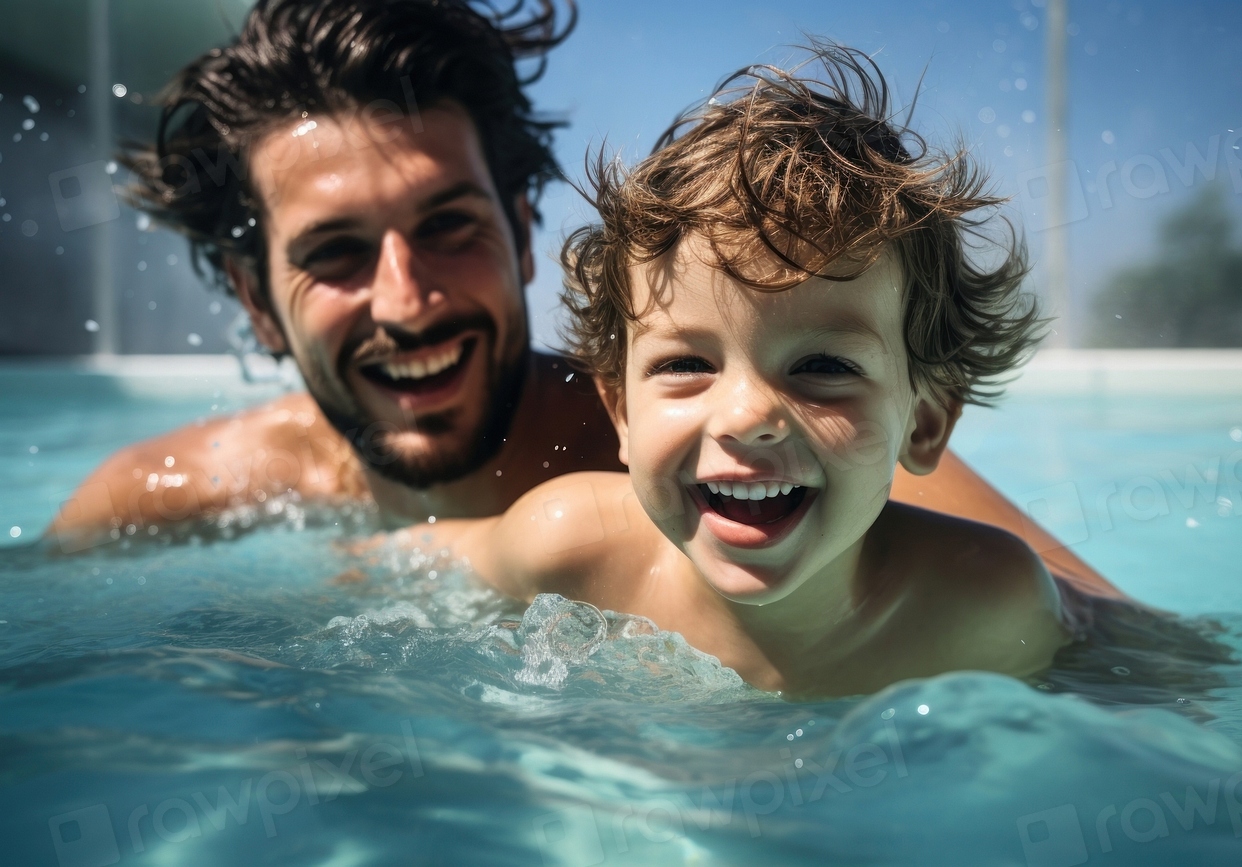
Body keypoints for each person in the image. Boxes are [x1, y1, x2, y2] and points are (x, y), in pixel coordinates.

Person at [45, 0, 1116, 601]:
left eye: (449, 227)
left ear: (519, 233)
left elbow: (1111, 637)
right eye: (334, 252)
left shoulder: (716, 431)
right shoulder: (158, 501)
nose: (406, 300)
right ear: (256, 300)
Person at [386, 45, 1071, 696]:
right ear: (621, 411)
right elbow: (391, 563)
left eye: (823, 366)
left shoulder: (986, 608)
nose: (746, 415)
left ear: (923, 422)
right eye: (686, 363)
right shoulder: (568, 544)